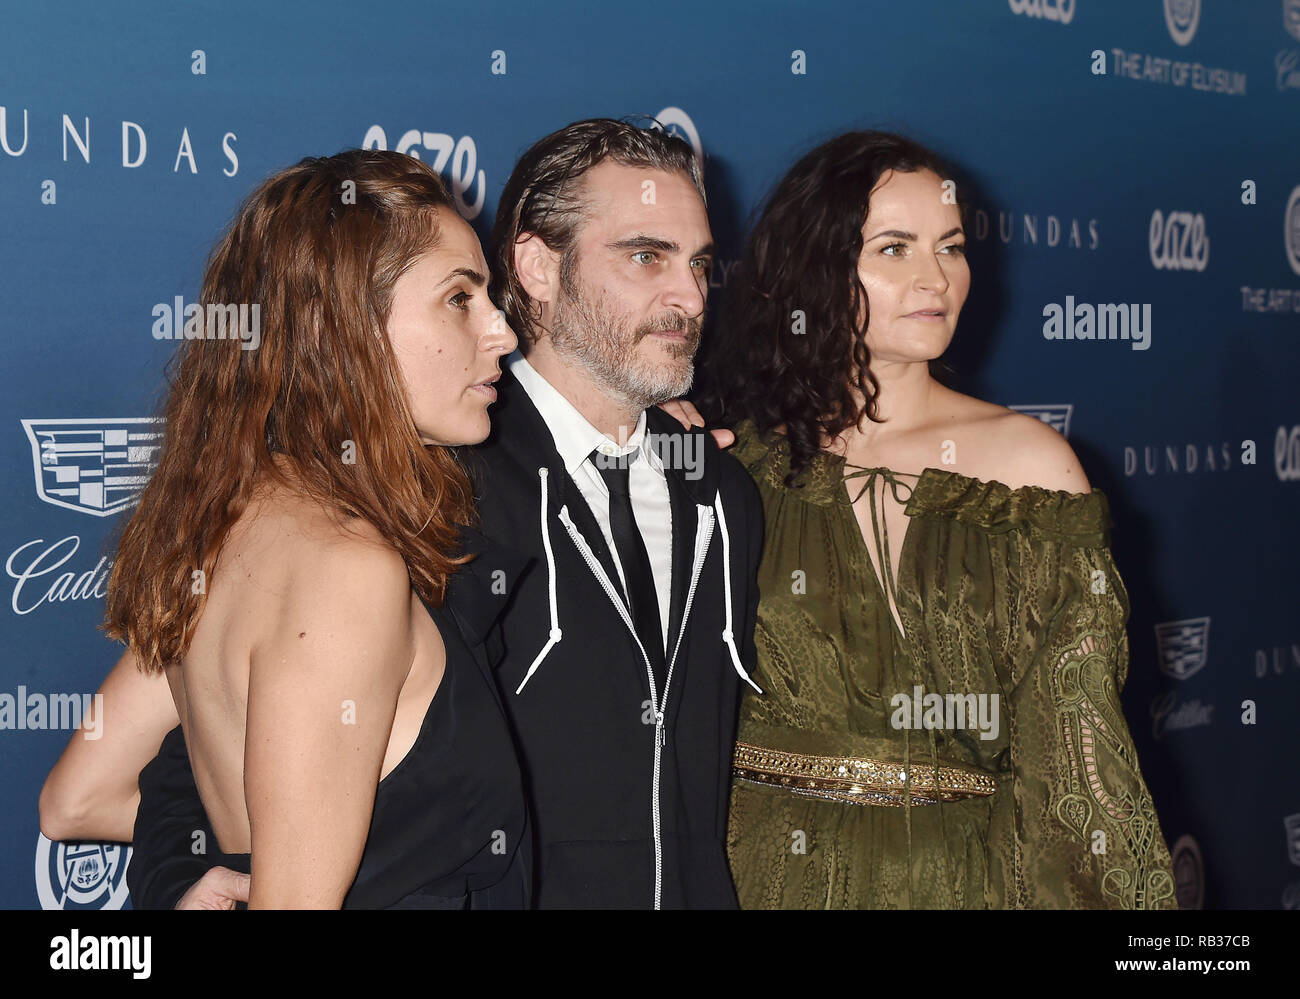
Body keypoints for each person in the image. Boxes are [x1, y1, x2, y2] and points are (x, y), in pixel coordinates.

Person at [78, 119, 764, 910]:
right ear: (537, 265)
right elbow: (204, 748)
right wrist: (184, 877)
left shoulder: (724, 489)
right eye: (647, 256)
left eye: (701, 264)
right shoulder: (422, 492)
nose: (688, 294)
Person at [39, 149, 530, 909]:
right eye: (459, 298)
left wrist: (202, 870)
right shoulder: (347, 569)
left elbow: (78, 799)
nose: (501, 332)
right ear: (344, 330)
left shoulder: (217, 527)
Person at [699, 130, 1177, 909]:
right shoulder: (734, 462)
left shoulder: (1028, 465)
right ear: (814, 265)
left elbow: (1076, 753)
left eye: (950, 247)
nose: (936, 277)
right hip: (756, 873)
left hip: (956, 882)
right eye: (894, 248)